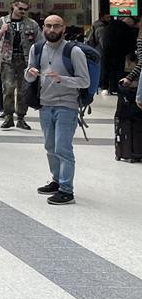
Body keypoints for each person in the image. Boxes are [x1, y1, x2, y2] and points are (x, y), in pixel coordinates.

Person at [26, 15, 90, 206]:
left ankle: (66, 189)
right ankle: (56, 180)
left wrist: (63, 79)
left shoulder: (74, 51)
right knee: (50, 147)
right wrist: (29, 74)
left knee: (63, 147)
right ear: (43, 27)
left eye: (56, 26)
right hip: (45, 104)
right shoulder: (36, 49)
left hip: (67, 105)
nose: (52, 30)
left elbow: (84, 81)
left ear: (63, 28)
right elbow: (29, 77)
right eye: (48, 26)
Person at [0, 0, 43, 131]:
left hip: (25, 60)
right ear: (13, 6)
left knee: (23, 90)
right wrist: (1, 31)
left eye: (25, 9)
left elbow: (40, 42)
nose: (22, 11)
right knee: (8, 88)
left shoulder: (32, 24)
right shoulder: (1, 21)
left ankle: (21, 117)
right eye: (20, 8)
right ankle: (8, 117)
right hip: (7, 60)